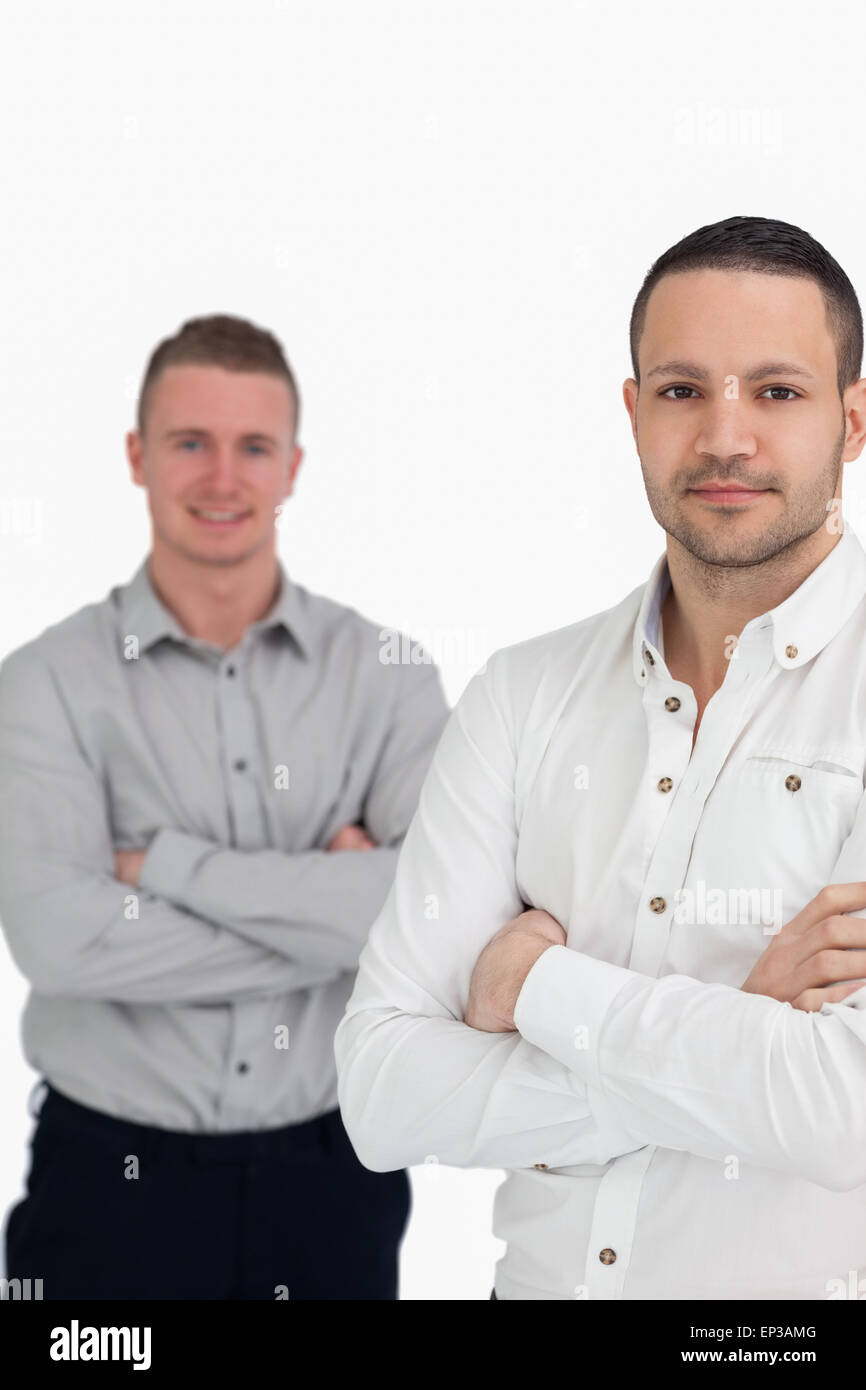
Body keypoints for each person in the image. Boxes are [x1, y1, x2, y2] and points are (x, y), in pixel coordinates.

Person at [335, 215, 866, 1300]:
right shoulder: (524, 696)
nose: (724, 438)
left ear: (852, 421)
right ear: (631, 413)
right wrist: (732, 1037)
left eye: (774, 391)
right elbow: (382, 1090)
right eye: (681, 391)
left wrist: (533, 985)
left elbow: (841, 1113)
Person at [0, 313, 449, 1300]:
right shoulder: (44, 683)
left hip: (331, 1184)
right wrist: (339, 912)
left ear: (293, 467)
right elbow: (60, 942)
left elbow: (441, 917)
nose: (222, 478)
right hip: (106, 1187)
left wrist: (165, 867)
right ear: (136, 456)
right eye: (189, 442)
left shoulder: (388, 675)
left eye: (253, 447)